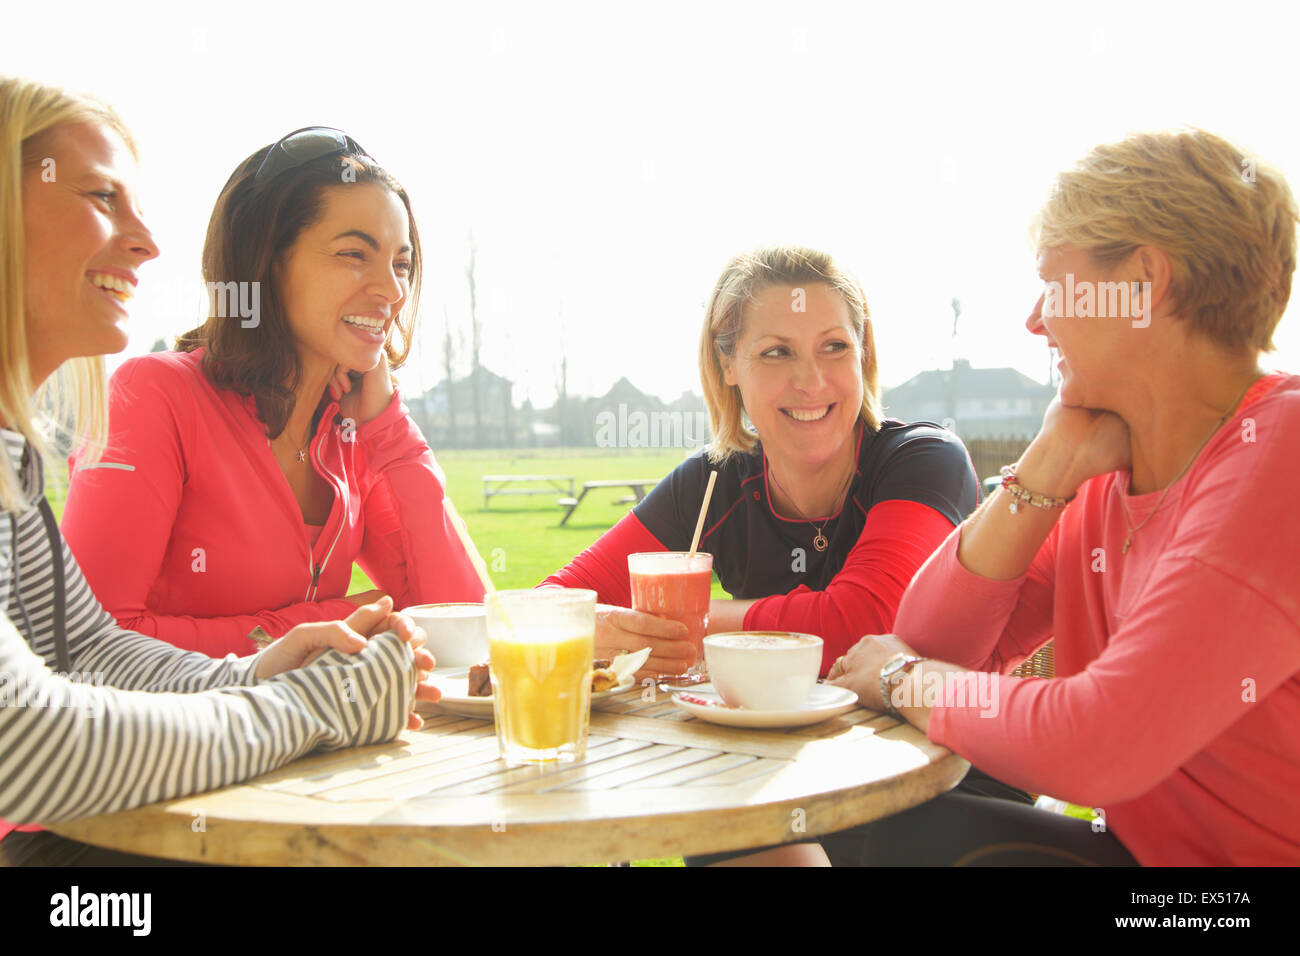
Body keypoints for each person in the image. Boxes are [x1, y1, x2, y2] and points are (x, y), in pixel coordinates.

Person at [823, 128, 1300, 865]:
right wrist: (1043, 471)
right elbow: (933, 639)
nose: (1035, 320)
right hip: (1145, 862)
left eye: (1053, 284)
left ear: (1143, 282)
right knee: (866, 823)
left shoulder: (1281, 448)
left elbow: (1103, 741)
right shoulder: (1106, 472)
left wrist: (898, 679)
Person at [0, 76, 435, 865]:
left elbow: (86, 650)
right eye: (101, 197)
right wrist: (312, 702)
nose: (147, 241)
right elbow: (26, 746)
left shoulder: (10, 460)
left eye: (401, 262)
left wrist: (262, 667)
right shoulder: (160, 394)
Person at [59, 125, 482, 659]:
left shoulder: (349, 429)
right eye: (355, 254)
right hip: (174, 743)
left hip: (321, 743)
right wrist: (324, 623)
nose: (392, 290)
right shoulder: (153, 396)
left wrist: (389, 428)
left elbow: (464, 623)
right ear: (265, 263)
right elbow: (86, 646)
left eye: (401, 264)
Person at [543, 246, 979, 679]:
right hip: (750, 746)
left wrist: (690, 623)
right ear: (727, 363)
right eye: (776, 352)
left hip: (930, 745)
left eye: (834, 346)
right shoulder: (712, 482)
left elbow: (864, 623)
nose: (811, 381)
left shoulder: (925, 460)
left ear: (863, 356)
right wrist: (594, 627)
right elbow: (541, 608)